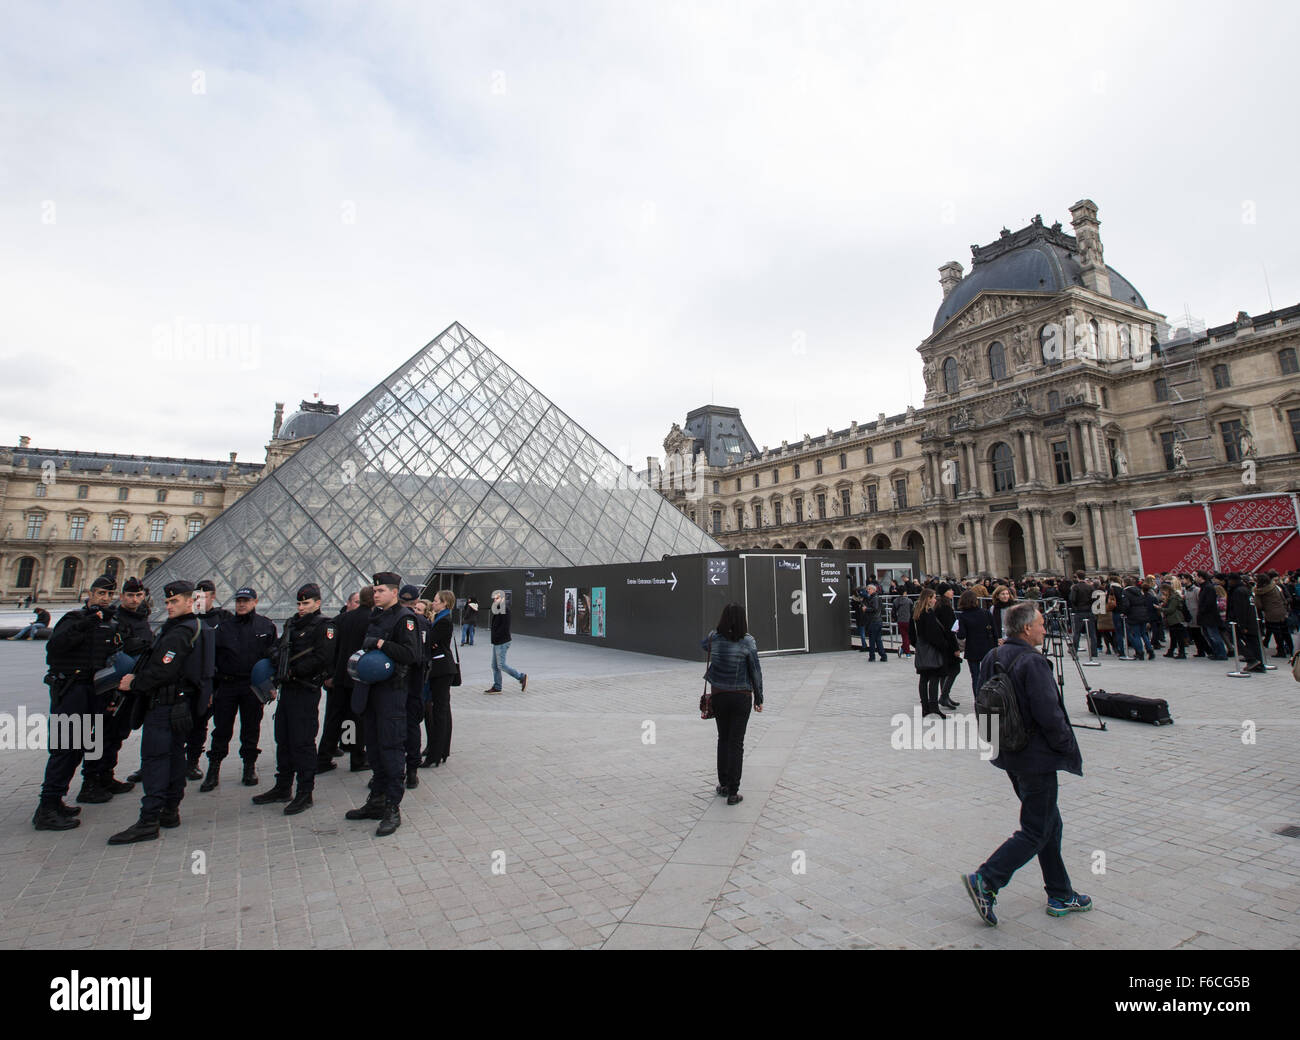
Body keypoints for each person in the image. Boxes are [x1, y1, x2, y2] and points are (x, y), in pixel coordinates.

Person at [960, 601, 1089, 926]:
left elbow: (982, 701)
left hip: (1011, 753)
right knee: (1035, 829)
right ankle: (987, 879)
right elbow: (1049, 714)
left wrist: (996, 744)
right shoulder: (1033, 662)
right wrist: (1065, 747)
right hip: (1036, 757)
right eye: (1042, 624)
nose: (1045, 629)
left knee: (1049, 824)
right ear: (1027, 628)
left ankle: (1060, 892)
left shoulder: (994, 656)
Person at [108, 579, 215, 844]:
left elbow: (163, 671)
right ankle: (170, 810)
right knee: (175, 758)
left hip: (165, 706)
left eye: (174, 601)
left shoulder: (180, 631)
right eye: (167, 601)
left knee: (156, 760)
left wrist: (134, 682)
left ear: (190, 601)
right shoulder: (200, 627)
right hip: (184, 706)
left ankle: (148, 820)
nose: (168, 605)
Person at [31, 576, 124, 830]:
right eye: (101, 593)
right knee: (64, 748)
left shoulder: (110, 625)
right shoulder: (73, 619)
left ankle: (56, 799)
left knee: (79, 747)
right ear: (90, 594)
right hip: (71, 691)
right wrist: (86, 624)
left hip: (93, 693)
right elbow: (55, 648)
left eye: (108, 594)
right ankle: (46, 807)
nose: (105, 598)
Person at [345, 572, 420, 837]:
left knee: (390, 749)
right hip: (371, 692)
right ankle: (376, 801)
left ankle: (392, 808)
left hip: (392, 694)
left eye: (380, 591)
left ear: (394, 593)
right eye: (374, 591)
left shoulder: (405, 619)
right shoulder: (376, 616)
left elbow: (412, 655)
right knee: (374, 749)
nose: (375, 594)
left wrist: (379, 643)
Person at [252, 583, 336, 814]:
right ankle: (283, 786)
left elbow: (323, 657)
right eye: (299, 603)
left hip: (305, 690)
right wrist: (277, 658)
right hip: (288, 690)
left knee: (302, 742)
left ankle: (304, 792)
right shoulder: (291, 623)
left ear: (317, 603)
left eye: (306, 603)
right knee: (283, 739)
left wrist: (293, 670)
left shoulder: (325, 626)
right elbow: (276, 647)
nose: (301, 607)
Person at [201, 586, 277, 791]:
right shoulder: (224, 627)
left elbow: (273, 658)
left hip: (252, 686)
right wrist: (210, 689)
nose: (241, 604)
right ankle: (213, 769)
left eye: (246, 600)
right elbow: (212, 660)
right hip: (227, 684)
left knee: (251, 729)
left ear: (255, 601)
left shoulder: (266, 625)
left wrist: (271, 685)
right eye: (238, 601)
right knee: (221, 729)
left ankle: (249, 766)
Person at [92, 576, 154, 796]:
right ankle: (93, 781)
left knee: (118, 733)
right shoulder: (116, 619)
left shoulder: (141, 618)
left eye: (138, 595)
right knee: (105, 734)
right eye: (130, 595)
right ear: (122, 597)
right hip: (114, 686)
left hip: (132, 685)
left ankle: (106, 776)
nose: (135, 599)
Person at [701, 603, 763, 806]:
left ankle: (724, 784)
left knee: (723, 739)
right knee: (737, 743)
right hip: (741, 697)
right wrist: (759, 698)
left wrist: (715, 631)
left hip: (719, 695)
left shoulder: (714, 638)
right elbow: (755, 670)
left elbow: (703, 645)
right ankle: (733, 792)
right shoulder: (748, 641)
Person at [318, 585, 374, 773]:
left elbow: (329, 649)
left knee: (333, 718)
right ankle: (357, 758)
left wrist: (330, 673)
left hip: (339, 677)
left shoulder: (341, 618)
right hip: (358, 677)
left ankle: (324, 757)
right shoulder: (373, 620)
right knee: (356, 719)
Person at [184, 579, 232, 780]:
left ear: (213, 596)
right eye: (195, 597)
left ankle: (192, 762)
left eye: (202, 597)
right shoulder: (184, 619)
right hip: (185, 682)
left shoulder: (223, 620)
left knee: (199, 724)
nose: (198, 600)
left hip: (210, 682)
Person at [398, 585, 432, 789]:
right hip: (417, 681)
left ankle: (395, 771)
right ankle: (412, 771)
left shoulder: (398, 620)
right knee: (412, 727)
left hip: (397, 682)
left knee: (394, 728)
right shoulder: (423, 622)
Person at [912, 589, 959, 719]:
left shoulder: (917, 612)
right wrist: (944, 645)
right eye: (933, 598)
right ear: (928, 599)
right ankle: (933, 707)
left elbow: (913, 633)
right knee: (934, 678)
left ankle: (925, 707)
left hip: (922, 649)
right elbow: (933, 634)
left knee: (923, 679)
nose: (935, 600)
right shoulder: (928, 613)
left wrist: (916, 644)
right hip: (932, 650)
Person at [423, 590, 457, 768]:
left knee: (440, 712)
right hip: (442, 668)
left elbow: (431, 641)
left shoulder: (443, 621)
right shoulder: (441, 618)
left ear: (444, 603)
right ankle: (442, 750)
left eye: (436, 601)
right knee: (443, 710)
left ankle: (435, 754)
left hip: (441, 669)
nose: (433, 603)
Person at [955, 589, 996, 700]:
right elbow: (994, 631)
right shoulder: (986, 613)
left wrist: (957, 631)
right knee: (988, 675)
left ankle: (978, 699)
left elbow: (961, 635)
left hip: (972, 648)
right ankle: (989, 698)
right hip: (987, 647)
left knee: (976, 676)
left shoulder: (963, 616)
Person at [484, 590, 527, 693]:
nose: (495, 600)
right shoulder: (498, 609)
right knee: (495, 666)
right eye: (494, 598)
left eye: (497, 598)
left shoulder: (505, 610)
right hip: (497, 641)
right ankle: (497, 686)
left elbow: (504, 626)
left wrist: (497, 637)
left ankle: (521, 677)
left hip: (502, 641)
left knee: (501, 665)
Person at [1225, 572, 1264, 672]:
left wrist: (1242, 625)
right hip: (1251, 620)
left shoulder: (1238, 591)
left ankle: (1252, 659)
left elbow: (1240, 609)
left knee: (1236, 640)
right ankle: (1258, 663)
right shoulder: (1245, 589)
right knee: (1253, 643)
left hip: (1242, 622)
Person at [1254, 570, 1294, 659]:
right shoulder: (1275, 587)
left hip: (1271, 613)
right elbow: (1283, 598)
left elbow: (1259, 605)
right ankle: (1291, 650)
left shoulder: (1259, 591)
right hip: (1281, 611)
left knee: (1277, 633)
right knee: (1285, 632)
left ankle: (1281, 651)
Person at [1067, 571, 1097, 661]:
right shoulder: (1090, 587)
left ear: (1077, 577)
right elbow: (1094, 598)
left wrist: (1076, 607)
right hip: (1089, 611)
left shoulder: (1075, 587)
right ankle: (1094, 652)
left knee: (1077, 632)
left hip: (1079, 611)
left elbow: (1072, 599)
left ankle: (1075, 650)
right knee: (1092, 633)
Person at [1159, 583, 1189, 659]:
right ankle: (1171, 651)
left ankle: (1181, 653)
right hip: (1172, 619)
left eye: (1163, 592)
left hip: (1176, 619)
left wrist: (1160, 609)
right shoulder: (1171, 597)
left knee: (1179, 637)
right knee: (1173, 637)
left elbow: (1171, 610)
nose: (1163, 594)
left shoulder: (1174, 597)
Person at [861, 582, 887, 661]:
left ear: (873, 589)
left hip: (874, 621)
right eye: (867, 589)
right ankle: (883, 655)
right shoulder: (875, 597)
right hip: (877, 621)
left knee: (872, 639)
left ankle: (872, 656)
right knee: (878, 639)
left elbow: (874, 609)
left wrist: (866, 609)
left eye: (869, 589)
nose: (868, 591)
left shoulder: (874, 598)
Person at [892, 589, 913, 657]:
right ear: (905, 592)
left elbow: (893, 612)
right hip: (908, 620)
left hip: (900, 620)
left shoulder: (895, 601)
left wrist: (895, 619)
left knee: (905, 637)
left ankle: (903, 649)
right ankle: (907, 652)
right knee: (909, 637)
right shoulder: (909, 601)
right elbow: (912, 610)